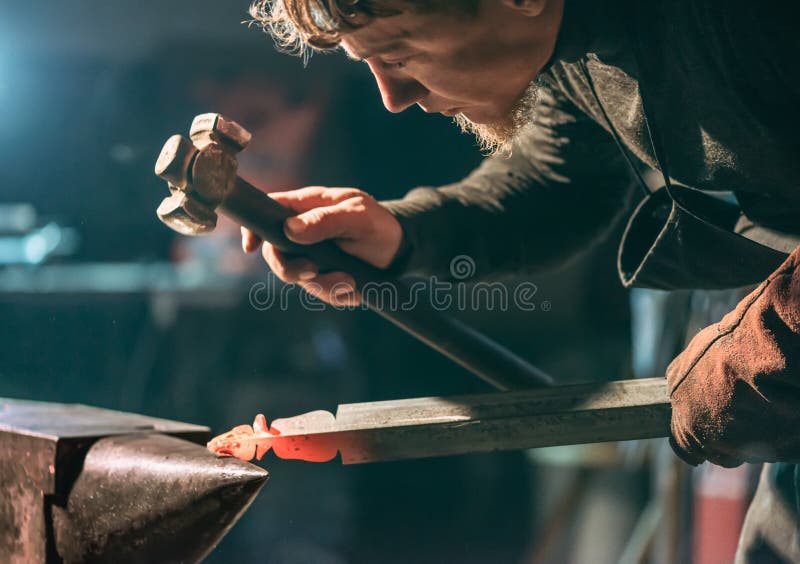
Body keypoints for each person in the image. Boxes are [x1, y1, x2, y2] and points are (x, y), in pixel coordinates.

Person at [239, 1, 800, 559]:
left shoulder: (749, 21)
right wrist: (406, 234)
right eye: (372, 62)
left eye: (400, 52)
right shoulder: (569, 38)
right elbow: (562, 177)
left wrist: (770, 340)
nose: (393, 97)